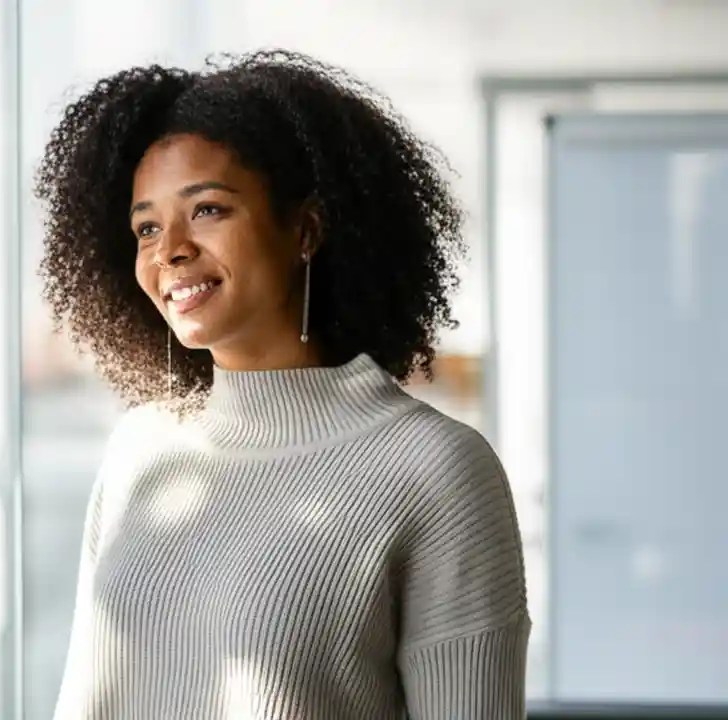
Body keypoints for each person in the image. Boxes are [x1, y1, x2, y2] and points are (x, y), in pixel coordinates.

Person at [36, 50, 530, 719]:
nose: (168, 250)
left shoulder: (435, 470)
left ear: (307, 228)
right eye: (146, 226)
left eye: (207, 210)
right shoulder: (139, 451)